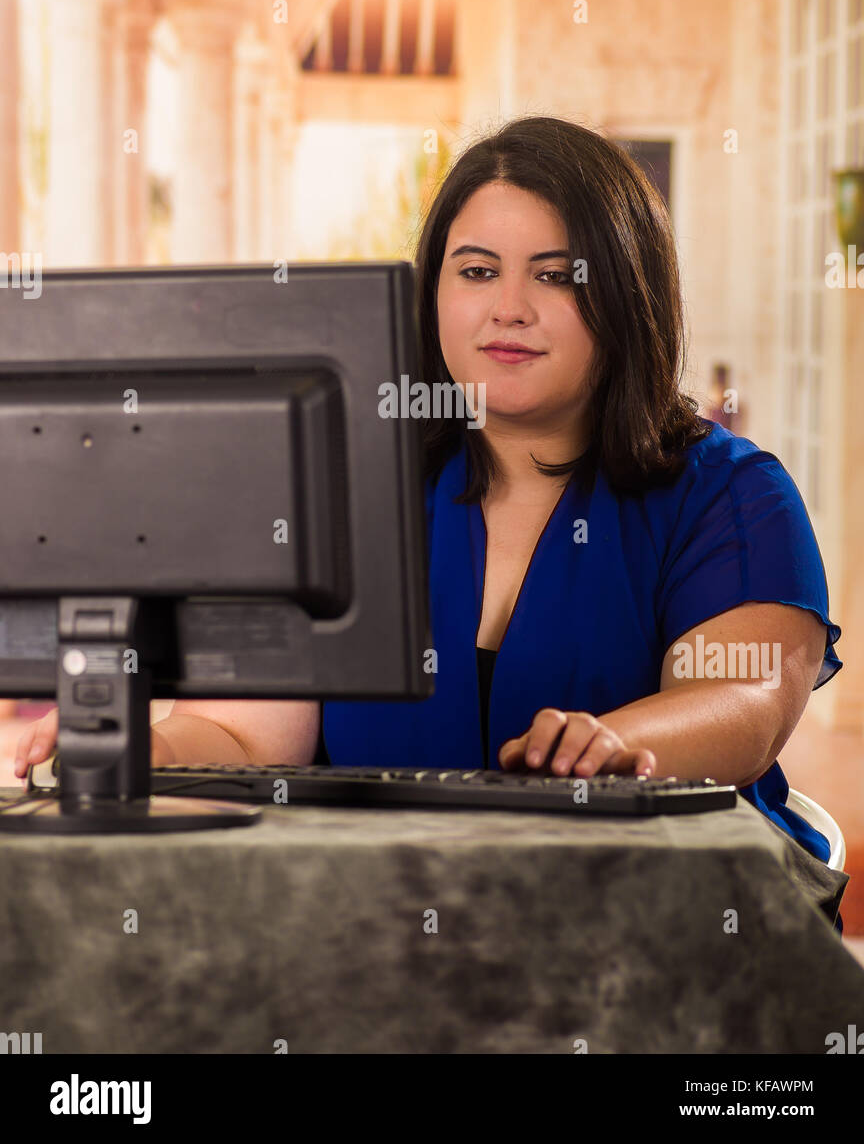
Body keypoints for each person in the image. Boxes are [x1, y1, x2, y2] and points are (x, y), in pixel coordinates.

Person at [14, 117, 843, 916]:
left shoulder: (734, 495)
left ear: (628, 295)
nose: (508, 307)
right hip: (383, 929)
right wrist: (132, 749)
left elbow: (744, 699)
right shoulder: (336, 487)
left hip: (651, 933)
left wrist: (616, 745)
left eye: (556, 275)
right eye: (477, 271)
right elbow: (249, 739)